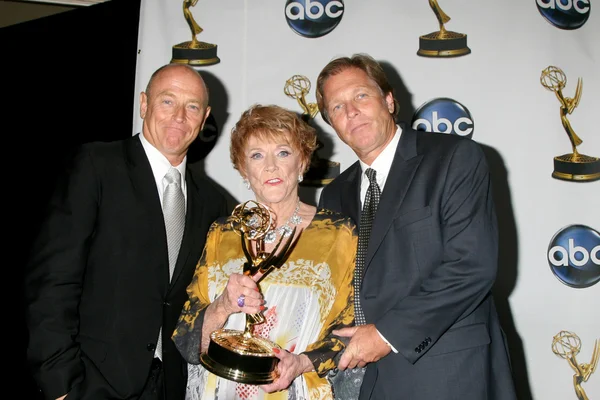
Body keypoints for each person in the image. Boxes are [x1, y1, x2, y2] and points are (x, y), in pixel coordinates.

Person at [315, 53, 518, 399]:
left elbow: (471, 266)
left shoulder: (454, 158)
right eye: (336, 107)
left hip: (447, 374)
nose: (351, 112)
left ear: (389, 100)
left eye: (361, 96)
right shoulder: (333, 196)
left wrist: (385, 335)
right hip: (364, 383)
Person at [25, 63, 228, 400]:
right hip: (92, 384)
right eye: (167, 101)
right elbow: (52, 281)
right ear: (144, 103)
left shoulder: (213, 203)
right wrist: (61, 384)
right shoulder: (97, 166)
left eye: (191, 106)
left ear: (204, 117)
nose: (179, 116)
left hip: (173, 388)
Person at [172, 104, 358, 400]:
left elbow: (350, 333)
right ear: (243, 169)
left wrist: (300, 363)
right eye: (257, 155)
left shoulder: (339, 234)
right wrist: (223, 305)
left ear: (303, 162)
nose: (270, 166)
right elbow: (185, 337)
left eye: (283, 153)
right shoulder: (223, 232)